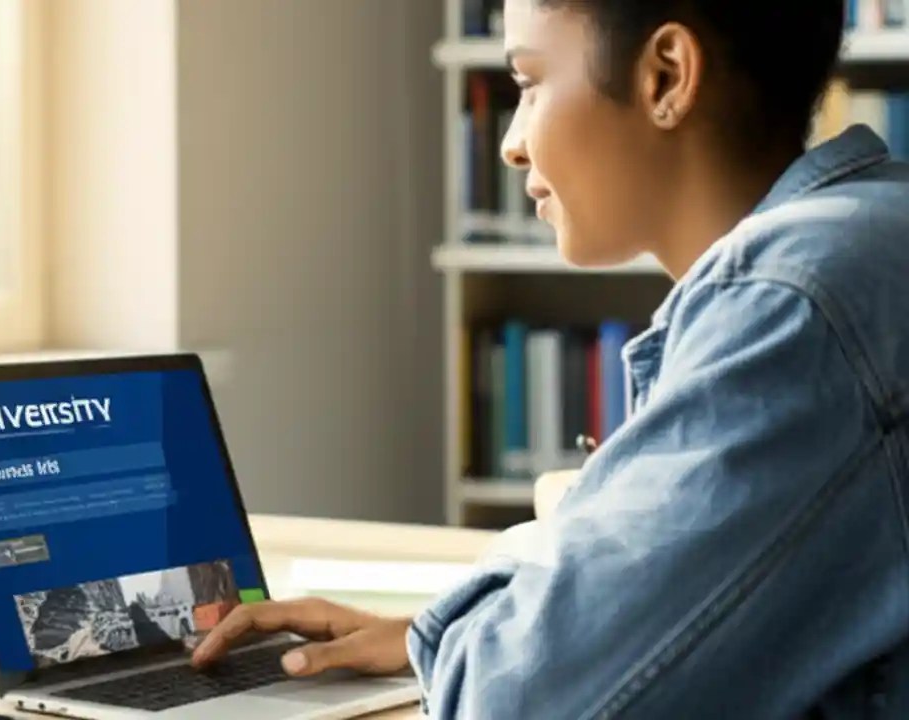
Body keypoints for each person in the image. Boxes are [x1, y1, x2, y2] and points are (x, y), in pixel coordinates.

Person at [192, 0, 909, 716]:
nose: (510, 143)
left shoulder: (789, 306)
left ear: (666, 77)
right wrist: (431, 638)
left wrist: (544, 564)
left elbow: (514, 702)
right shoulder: (872, 227)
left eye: (531, 84)